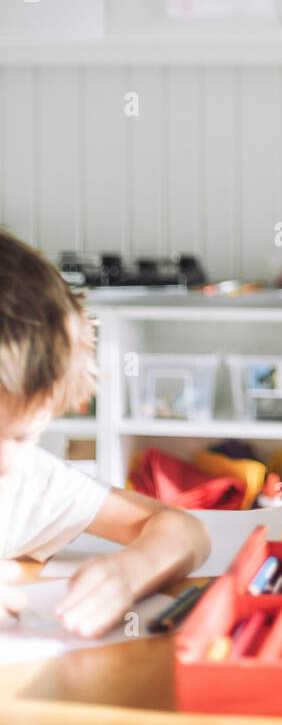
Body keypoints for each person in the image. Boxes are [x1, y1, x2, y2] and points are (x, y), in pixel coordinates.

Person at [0, 228, 210, 635]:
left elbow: (185, 531)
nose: (3, 464)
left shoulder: (25, 483)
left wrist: (129, 574)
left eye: (22, 436)